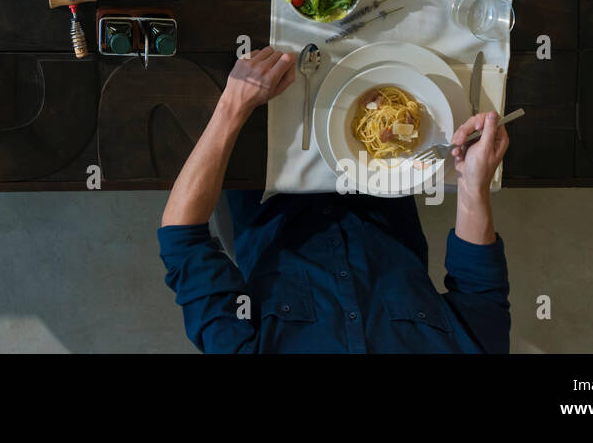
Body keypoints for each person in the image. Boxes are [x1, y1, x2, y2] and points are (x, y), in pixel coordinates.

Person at [159, 46, 512, 352]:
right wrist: (473, 184)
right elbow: (479, 291)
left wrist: (233, 104)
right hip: (385, 183)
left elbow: (182, 241)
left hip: (266, 184)